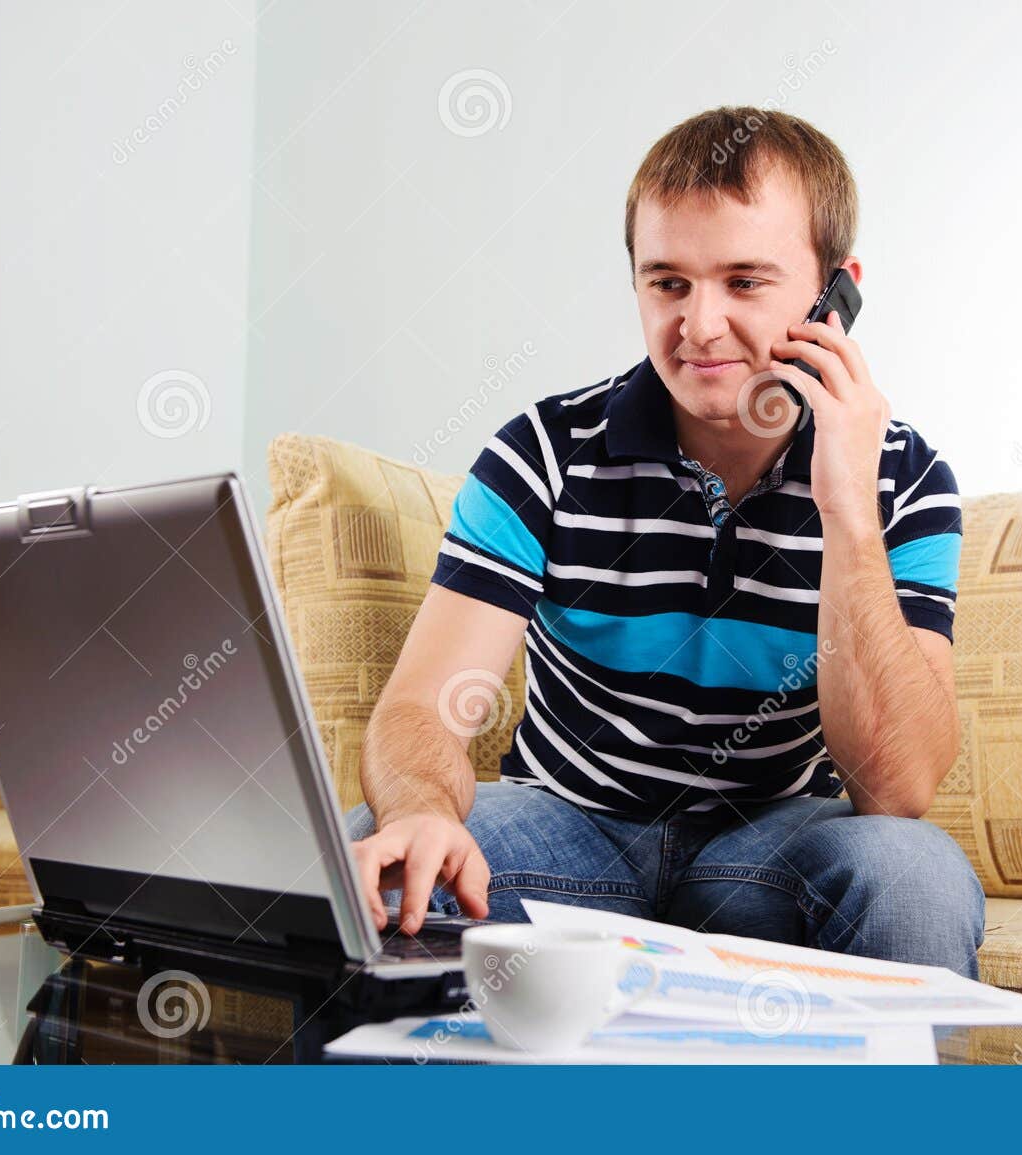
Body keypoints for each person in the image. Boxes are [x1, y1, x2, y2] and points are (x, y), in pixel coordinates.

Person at [346, 105, 984, 977]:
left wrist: (845, 507)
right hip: (569, 828)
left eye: (745, 281)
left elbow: (895, 786)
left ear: (836, 294)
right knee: (378, 855)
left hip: (766, 850)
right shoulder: (542, 452)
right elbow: (421, 709)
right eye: (669, 283)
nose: (700, 326)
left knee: (913, 874)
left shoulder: (903, 479)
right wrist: (420, 806)